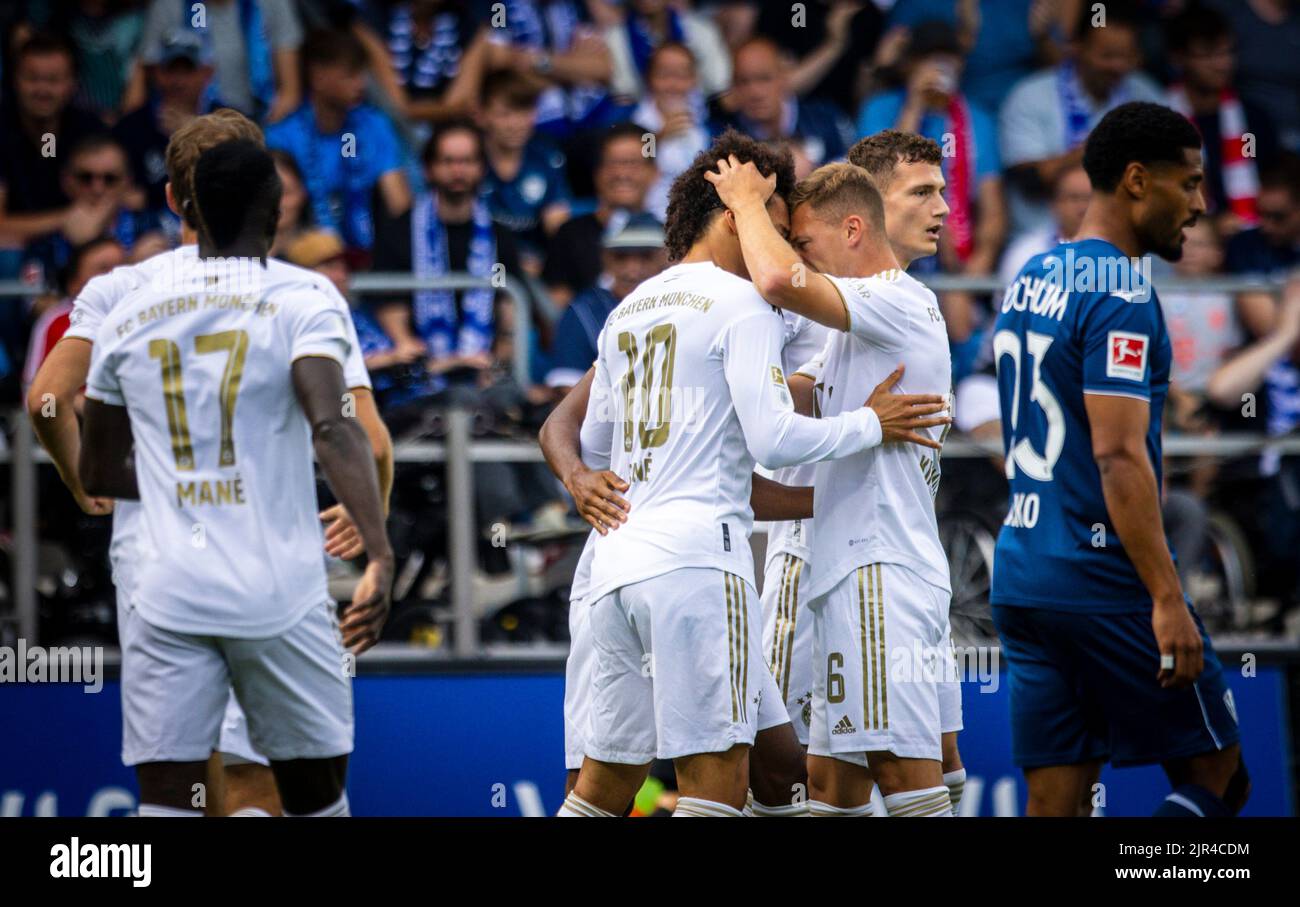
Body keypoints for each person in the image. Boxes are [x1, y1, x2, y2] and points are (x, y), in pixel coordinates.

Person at [556, 131, 946, 818]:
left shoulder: (628, 310)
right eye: (772, 218)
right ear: (737, 212)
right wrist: (869, 425)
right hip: (699, 564)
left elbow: (592, 437)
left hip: (614, 563)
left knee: (608, 789)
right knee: (715, 791)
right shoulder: (746, 305)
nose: (789, 244)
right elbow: (772, 435)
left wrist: (584, 479)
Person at [26, 109, 393, 817]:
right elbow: (362, 437)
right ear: (268, 193)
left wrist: (90, 488)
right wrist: (369, 520)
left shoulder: (125, 295)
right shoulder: (302, 292)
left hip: (156, 572)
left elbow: (47, 401)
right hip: (273, 574)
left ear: (173, 198)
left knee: (174, 793)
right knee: (280, 788)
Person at [991, 101, 1246, 817]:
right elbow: (1118, 456)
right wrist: (1168, 595)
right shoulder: (1122, 292)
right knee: (1222, 775)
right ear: (1137, 180)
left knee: (1056, 803)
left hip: (1023, 571)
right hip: (1103, 575)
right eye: (1189, 184)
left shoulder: (1033, 275)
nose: (1200, 205)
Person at [708, 156, 957, 817]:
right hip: (876, 563)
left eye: (808, 242)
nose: (801, 256)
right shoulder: (867, 331)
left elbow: (777, 280)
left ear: (852, 229)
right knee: (832, 784)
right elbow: (800, 395)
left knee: (909, 779)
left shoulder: (892, 299)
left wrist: (746, 202)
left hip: (876, 567)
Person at [371, 120, 523, 398]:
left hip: (484, 379)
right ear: (428, 169)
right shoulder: (397, 232)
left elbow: (509, 316)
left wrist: (497, 364)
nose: (458, 171)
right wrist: (432, 365)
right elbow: (392, 316)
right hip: (419, 382)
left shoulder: (500, 235)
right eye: (448, 161)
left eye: (467, 161)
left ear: (481, 168)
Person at [999, 1, 1163, 236]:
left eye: (1126, 57)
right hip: (1043, 244)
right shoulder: (1030, 96)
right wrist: (1093, 151)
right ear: (1076, 47)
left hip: (1128, 240)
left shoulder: (1148, 96)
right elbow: (1028, 182)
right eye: (1107, 56)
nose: (1118, 66)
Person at [266, 29, 411, 257]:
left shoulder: (374, 124)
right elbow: (275, 212)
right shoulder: (282, 136)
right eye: (350, 74)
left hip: (365, 254)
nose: (361, 83)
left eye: (362, 74)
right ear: (318, 77)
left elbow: (399, 205)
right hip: (300, 256)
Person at [1164, 3, 1278, 238]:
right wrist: (1213, 226)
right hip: (1185, 239)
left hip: (1252, 236)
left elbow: (1271, 186)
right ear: (1178, 58)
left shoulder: (1253, 119)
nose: (1222, 64)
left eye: (1227, 52)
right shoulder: (1159, 120)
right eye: (1208, 54)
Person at [0, 31, 106, 274]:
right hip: (14, 254)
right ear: (14, 80)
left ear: (72, 84)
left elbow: (114, 194)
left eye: (53, 80)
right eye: (33, 78)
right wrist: (64, 219)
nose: (43, 89)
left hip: (78, 244)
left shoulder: (90, 129)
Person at [545, 212, 667, 395]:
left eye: (645, 256)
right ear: (605, 257)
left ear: (666, 257)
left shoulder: (686, 307)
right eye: (621, 256)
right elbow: (567, 390)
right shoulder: (583, 312)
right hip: (607, 418)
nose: (632, 270)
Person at [113, 30, 217, 243]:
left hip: (211, 225)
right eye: (170, 71)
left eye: (187, 70)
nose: (177, 81)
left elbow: (238, 178)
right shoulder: (130, 127)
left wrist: (196, 132)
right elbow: (123, 192)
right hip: (145, 234)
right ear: (156, 74)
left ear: (206, 73)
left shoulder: (226, 120)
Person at [23, 134, 165, 288]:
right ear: (66, 180)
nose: (97, 189)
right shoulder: (48, 235)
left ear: (127, 181)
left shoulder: (149, 224)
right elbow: (37, 303)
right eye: (85, 178)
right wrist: (128, 264)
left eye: (110, 179)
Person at [542, 122, 658, 306]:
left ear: (654, 172)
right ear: (597, 172)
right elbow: (558, 311)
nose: (622, 173)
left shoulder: (671, 237)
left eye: (633, 163)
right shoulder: (569, 235)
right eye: (612, 163)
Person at [133, 0, 303, 121]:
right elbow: (143, 76)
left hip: (258, 121)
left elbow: (290, 94)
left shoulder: (271, 3)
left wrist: (256, 134)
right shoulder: (170, 4)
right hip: (185, 122)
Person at [478, 70, 572, 269]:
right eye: (504, 114)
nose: (515, 124)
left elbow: (558, 228)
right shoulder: (470, 157)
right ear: (483, 115)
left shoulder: (547, 156)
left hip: (536, 269)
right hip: (478, 265)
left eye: (524, 112)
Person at [722, 36, 854, 172]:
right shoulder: (724, 138)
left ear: (783, 76)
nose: (755, 92)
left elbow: (854, 172)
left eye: (764, 79)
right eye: (744, 82)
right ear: (733, 86)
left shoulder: (826, 118)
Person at [21, 238, 125, 394]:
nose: (116, 276)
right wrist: (79, 405)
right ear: (74, 283)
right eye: (103, 269)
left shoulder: (150, 314)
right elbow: (39, 398)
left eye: (124, 267)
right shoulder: (58, 323)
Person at [631, 42, 710, 222]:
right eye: (664, 75)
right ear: (649, 78)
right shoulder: (636, 118)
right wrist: (659, 136)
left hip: (695, 216)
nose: (673, 85)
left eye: (682, 76)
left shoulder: (704, 122)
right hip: (648, 215)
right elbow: (635, 159)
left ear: (694, 80)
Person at [603, 0, 730, 102]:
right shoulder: (615, 37)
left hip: (699, 115)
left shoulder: (702, 31)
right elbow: (624, 94)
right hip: (641, 122)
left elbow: (719, 86)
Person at [997, 164, 1091, 287]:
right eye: (1074, 198)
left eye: (1089, 198)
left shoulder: (1117, 250)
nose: (1082, 207)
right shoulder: (1025, 253)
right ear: (1054, 204)